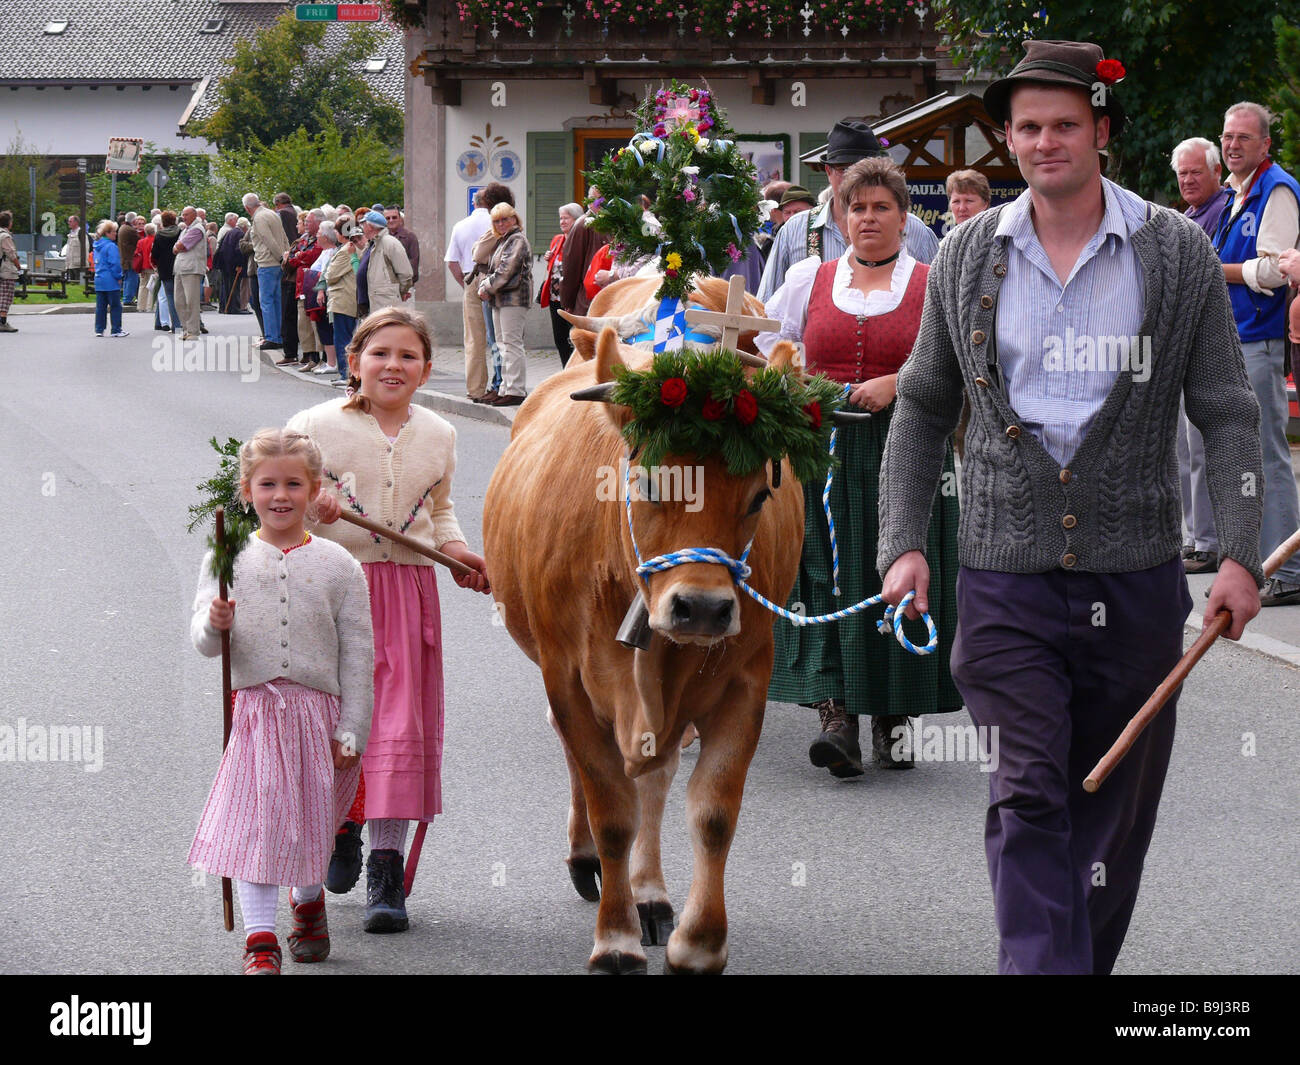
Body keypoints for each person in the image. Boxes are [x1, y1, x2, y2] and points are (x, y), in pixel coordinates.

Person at [878, 39, 1264, 975]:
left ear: (1100, 130)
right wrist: (902, 543)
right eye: (1026, 128)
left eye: (1062, 125)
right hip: (1003, 580)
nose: (1044, 142)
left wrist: (1242, 551)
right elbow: (926, 402)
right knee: (1027, 795)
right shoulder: (969, 252)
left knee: (1114, 806)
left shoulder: (1173, 252)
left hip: (1133, 579)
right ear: (1008, 141)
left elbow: (1226, 407)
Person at [287, 306, 491, 933]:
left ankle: (386, 870)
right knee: (336, 725)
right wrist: (310, 506)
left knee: (399, 729)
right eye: (379, 354)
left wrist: (455, 554)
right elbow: (272, 504)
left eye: (408, 356)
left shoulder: (438, 433)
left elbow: (441, 510)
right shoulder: (313, 425)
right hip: (332, 594)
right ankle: (342, 826)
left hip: (407, 593)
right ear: (353, 362)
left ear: (428, 369)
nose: (393, 366)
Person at [758, 157, 960, 776]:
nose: (866, 218)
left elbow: (958, 362)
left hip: (910, 446)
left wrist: (898, 381)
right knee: (821, 571)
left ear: (904, 217)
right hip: (822, 451)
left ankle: (894, 715)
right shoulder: (806, 278)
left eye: (880, 207)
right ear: (841, 217)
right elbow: (774, 351)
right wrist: (807, 389)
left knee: (897, 571)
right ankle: (836, 716)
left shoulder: (932, 281)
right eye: (856, 207)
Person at [189, 428, 375, 975]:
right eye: (267, 483)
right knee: (259, 825)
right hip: (255, 717)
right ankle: (260, 941)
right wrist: (214, 623)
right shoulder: (226, 555)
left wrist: (352, 729)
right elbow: (202, 642)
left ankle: (309, 902)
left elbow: (359, 656)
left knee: (312, 824)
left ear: (314, 488)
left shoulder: (341, 564)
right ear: (247, 490)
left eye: (294, 483)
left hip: (321, 719)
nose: (280, 495)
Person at [1212, 101, 1300, 606]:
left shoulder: (1278, 189)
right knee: (1243, 455)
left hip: (1260, 340)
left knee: (1268, 455)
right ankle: (1264, 565)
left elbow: (1273, 272)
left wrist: (1217, 270)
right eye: (1227, 137)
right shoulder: (1235, 192)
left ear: (1265, 144)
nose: (1232, 145)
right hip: (1236, 336)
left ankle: (1290, 570)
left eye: (1244, 137)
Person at [758, 121, 940, 302]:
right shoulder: (794, 230)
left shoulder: (916, 230)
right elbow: (766, 306)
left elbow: (939, 305)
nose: (855, 177)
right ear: (828, 171)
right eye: (845, 169)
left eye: (863, 168)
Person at [1171, 137, 1233, 574]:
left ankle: (1208, 542)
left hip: (1214, 341)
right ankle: (1194, 537)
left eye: (1196, 171)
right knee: (1181, 448)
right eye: (1182, 174)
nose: (1189, 180)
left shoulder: (1225, 211)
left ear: (1215, 172)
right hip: (1181, 341)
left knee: (1202, 446)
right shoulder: (1188, 217)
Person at [446, 185, 510, 400]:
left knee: (474, 339)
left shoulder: (460, 225)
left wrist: (465, 283)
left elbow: (452, 262)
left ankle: (475, 389)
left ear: (474, 203)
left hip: (470, 278)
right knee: (499, 336)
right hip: (494, 279)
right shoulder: (499, 222)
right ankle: (501, 384)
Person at [477, 203, 532, 406]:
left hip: (514, 299)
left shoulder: (517, 239)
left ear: (515, 219)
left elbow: (506, 271)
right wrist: (487, 286)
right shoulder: (505, 240)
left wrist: (485, 287)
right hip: (501, 298)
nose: (501, 223)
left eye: (505, 219)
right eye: (497, 221)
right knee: (502, 345)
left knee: (511, 344)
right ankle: (504, 388)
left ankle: (516, 389)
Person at [539, 202, 583, 366]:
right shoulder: (557, 240)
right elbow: (556, 268)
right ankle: (566, 370)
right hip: (555, 297)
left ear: (577, 220)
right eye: (561, 218)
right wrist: (549, 258)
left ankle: (576, 371)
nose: (562, 222)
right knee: (560, 338)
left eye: (567, 218)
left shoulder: (580, 239)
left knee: (575, 338)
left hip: (572, 297)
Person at [246, 193, 290, 351]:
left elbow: (267, 239)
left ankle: (272, 337)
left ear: (247, 208)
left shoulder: (258, 218)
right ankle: (278, 335)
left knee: (267, 301)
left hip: (267, 262)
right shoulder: (272, 213)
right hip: (278, 263)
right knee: (277, 300)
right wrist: (285, 255)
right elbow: (283, 236)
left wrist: (279, 257)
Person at [323, 221, 364, 385]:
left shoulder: (346, 250)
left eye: (336, 230)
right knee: (346, 337)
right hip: (348, 298)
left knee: (342, 338)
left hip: (343, 299)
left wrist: (327, 276)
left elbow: (330, 275)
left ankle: (346, 374)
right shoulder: (352, 248)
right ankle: (348, 373)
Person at [559, 185, 605, 316]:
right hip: (587, 301)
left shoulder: (613, 223)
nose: (600, 203)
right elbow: (571, 266)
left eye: (602, 199)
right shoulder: (583, 224)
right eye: (595, 199)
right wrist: (568, 301)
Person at [361, 211, 413, 314]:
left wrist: (400, 292)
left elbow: (406, 274)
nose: (362, 227)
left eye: (363, 224)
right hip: (373, 302)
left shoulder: (390, 243)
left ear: (370, 226)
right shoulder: (371, 244)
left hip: (384, 303)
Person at [172, 206, 208, 340]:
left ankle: (193, 331)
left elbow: (180, 246)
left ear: (194, 215)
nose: (184, 217)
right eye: (182, 215)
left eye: (186, 214)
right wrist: (177, 247)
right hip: (181, 268)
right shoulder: (185, 229)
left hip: (192, 269)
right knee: (179, 301)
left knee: (191, 301)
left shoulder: (197, 229)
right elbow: (176, 247)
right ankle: (186, 328)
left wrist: (178, 247)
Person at [92, 219, 128, 337]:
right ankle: (116, 330)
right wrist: (119, 276)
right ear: (107, 233)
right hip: (110, 280)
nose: (115, 234)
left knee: (100, 307)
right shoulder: (111, 246)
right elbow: (115, 264)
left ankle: (99, 329)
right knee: (115, 305)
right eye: (113, 232)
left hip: (99, 279)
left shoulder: (97, 246)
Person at [151, 210, 180, 333]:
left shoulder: (159, 235)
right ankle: (178, 325)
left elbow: (155, 254)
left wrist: (156, 264)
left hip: (164, 269)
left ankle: (172, 325)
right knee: (178, 297)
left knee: (167, 296)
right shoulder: (180, 232)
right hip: (178, 266)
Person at [384, 206, 420, 284]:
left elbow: (413, 265)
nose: (391, 220)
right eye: (387, 218)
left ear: (400, 218)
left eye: (394, 217)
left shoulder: (410, 237)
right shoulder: (381, 238)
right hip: (385, 288)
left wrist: (404, 287)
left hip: (405, 287)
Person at [0, 210, 19, 333]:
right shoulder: (5, 236)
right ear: (9, 223)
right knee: (6, 296)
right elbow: (11, 254)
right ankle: (2, 322)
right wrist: (18, 266)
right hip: (5, 270)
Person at [118, 212, 140, 307]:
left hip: (124, 258)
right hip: (130, 259)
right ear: (134, 220)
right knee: (132, 279)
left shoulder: (123, 228)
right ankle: (128, 298)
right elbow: (139, 240)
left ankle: (127, 297)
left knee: (127, 279)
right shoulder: (130, 230)